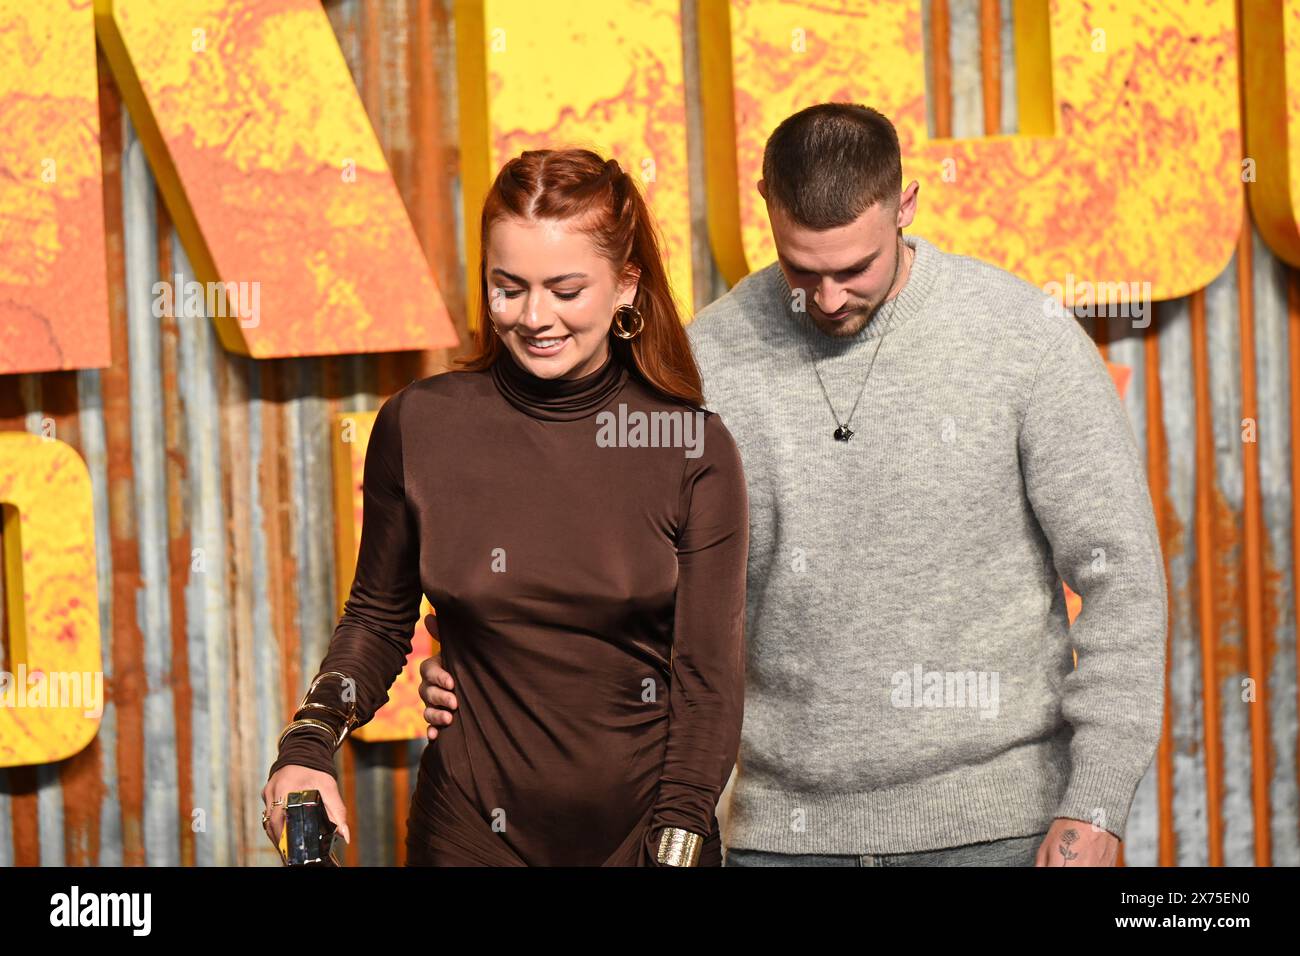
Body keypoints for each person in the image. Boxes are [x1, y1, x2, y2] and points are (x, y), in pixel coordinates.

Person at [421, 103, 1168, 867]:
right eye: (803, 268)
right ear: (766, 206)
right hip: (776, 839)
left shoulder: (1023, 339)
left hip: (1002, 829)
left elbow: (1121, 581)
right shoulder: (703, 363)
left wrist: (1099, 799)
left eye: (854, 269)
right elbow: (628, 588)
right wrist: (488, 664)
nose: (829, 297)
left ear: (905, 205)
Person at [262, 147, 749, 867]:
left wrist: (674, 844)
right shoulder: (420, 424)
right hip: (466, 835)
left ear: (626, 285)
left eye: (565, 288)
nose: (534, 317)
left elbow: (710, 681)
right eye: (508, 287)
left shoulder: (689, 447)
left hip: (644, 840)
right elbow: (377, 616)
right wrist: (307, 742)